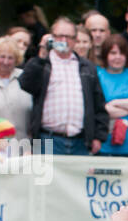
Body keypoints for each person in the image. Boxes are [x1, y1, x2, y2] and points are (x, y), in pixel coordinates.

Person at [18, 17, 106, 155]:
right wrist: (41, 55)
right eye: (60, 36)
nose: (64, 40)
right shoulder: (43, 63)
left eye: (69, 37)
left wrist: (98, 137)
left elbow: (98, 104)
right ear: (52, 38)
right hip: (47, 138)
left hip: (80, 141)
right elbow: (25, 84)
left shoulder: (87, 67)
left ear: (75, 40)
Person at [96, 34, 128, 157]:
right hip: (105, 145)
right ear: (105, 55)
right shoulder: (98, 76)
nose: (118, 57)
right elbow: (102, 110)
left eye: (122, 53)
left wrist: (115, 103)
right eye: (113, 53)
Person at [0, 36, 33, 147]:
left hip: (22, 147)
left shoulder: (24, 78)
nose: (6, 62)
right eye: (2, 57)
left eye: (10, 58)